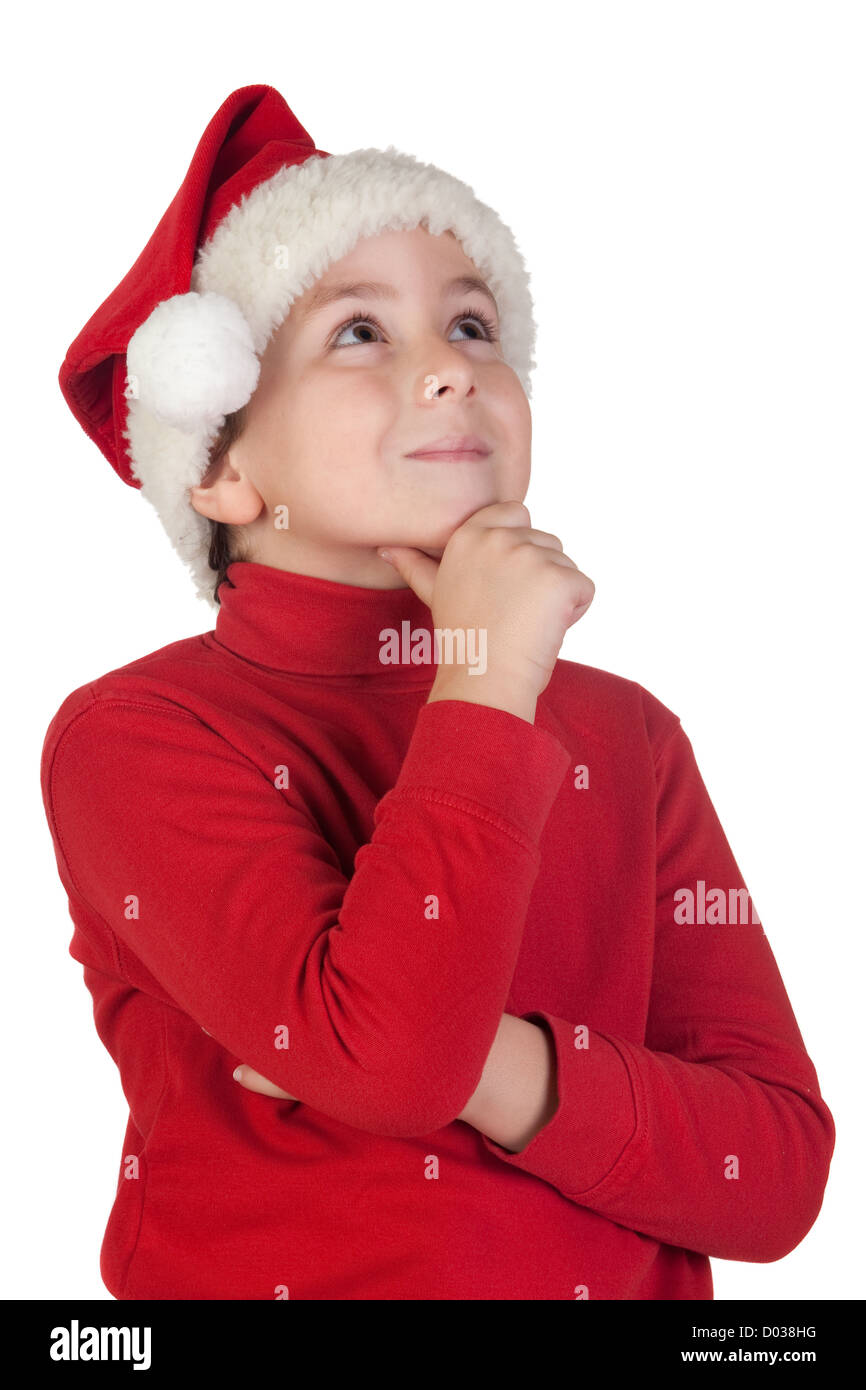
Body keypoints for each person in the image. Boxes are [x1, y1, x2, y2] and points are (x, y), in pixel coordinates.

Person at [40, 83, 834, 1301]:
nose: (453, 372)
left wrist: (471, 1058)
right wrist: (483, 683)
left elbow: (774, 1177)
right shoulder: (134, 736)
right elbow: (389, 1063)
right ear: (220, 468)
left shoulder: (625, 733)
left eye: (473, 328)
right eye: (358, 333)